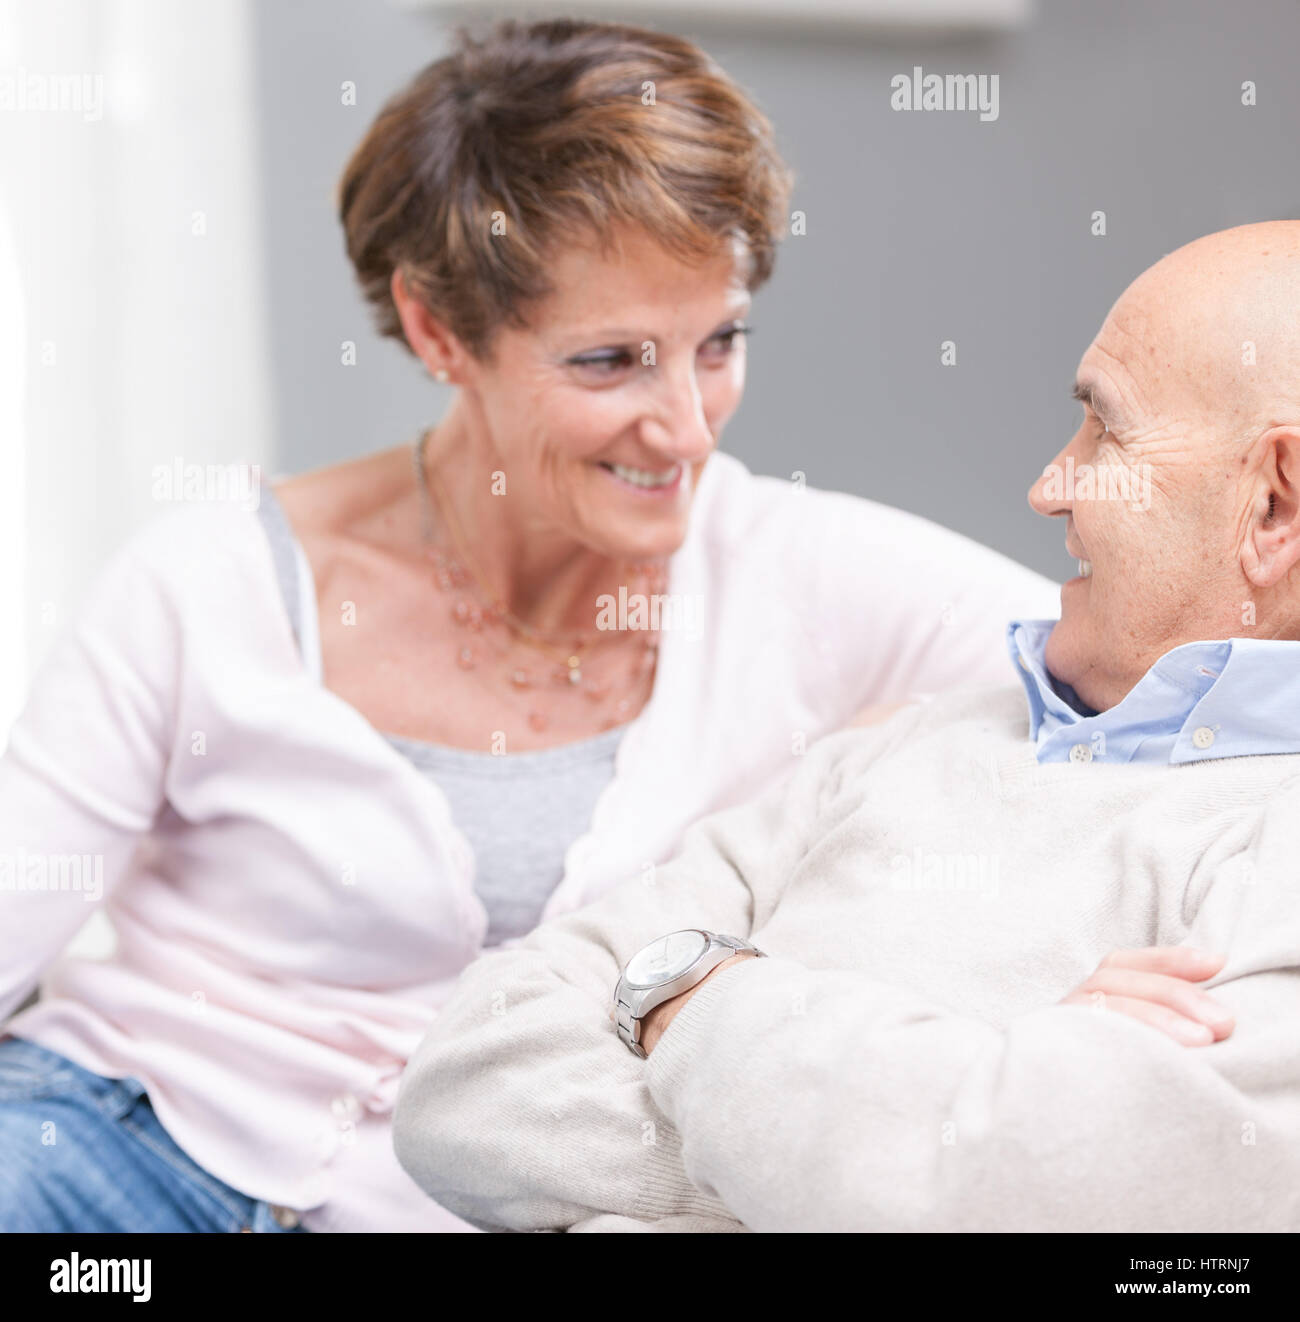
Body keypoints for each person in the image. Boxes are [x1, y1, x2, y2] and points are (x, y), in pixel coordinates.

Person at [0, 19, 1059, 1232]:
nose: (687, 427)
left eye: (717, 343)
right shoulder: (209, 586)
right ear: (442, 329)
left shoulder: (807, 573)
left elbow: (1146, 666)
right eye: (610, 362)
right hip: (126, 1149)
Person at [392, 222, 1300, 1233]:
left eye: (1105, 431)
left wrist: (691, 995)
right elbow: (461, 1080)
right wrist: (955, 1090)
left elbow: (1031, 1192)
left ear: (1273, 505)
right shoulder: (918, 738)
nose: (1048, 486)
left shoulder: (1276, 842)